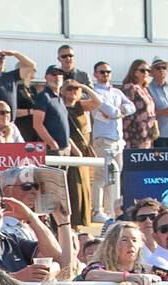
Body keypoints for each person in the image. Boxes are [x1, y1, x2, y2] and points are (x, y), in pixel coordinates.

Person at [90, 61, 135, 223]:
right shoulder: (94, 91)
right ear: (95, 74)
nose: (105, 74)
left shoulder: (116, 91)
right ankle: (97, 210)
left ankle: (111, 212)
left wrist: (121, 111)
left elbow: (131, 106)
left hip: (118, 140)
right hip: (103, 139)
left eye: (108, 72)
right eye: (101, 72)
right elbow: (108, 110)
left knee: (114, 177)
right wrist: (117, 112)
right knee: (102, 176)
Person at [61, 78, 101, 229]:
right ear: (63, 90)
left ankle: (82, 220)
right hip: (71, 149)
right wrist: (74, 150)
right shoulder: (60, 106)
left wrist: (83, 86)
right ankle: (73, 222)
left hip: (83, 148)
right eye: (70, 88)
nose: (73, 92)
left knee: (84, 184)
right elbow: (64, 131)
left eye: (75, 89)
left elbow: (98, 102)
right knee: (74, 185)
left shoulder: (80, 105)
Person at [121, 59, 157, 150]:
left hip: (147, 133)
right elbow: (125, 111)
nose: (146, 73)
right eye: (142, 70)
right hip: (134, 132)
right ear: (134, 72)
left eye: (148, 71)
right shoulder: (130, 87)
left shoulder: (145, 89)